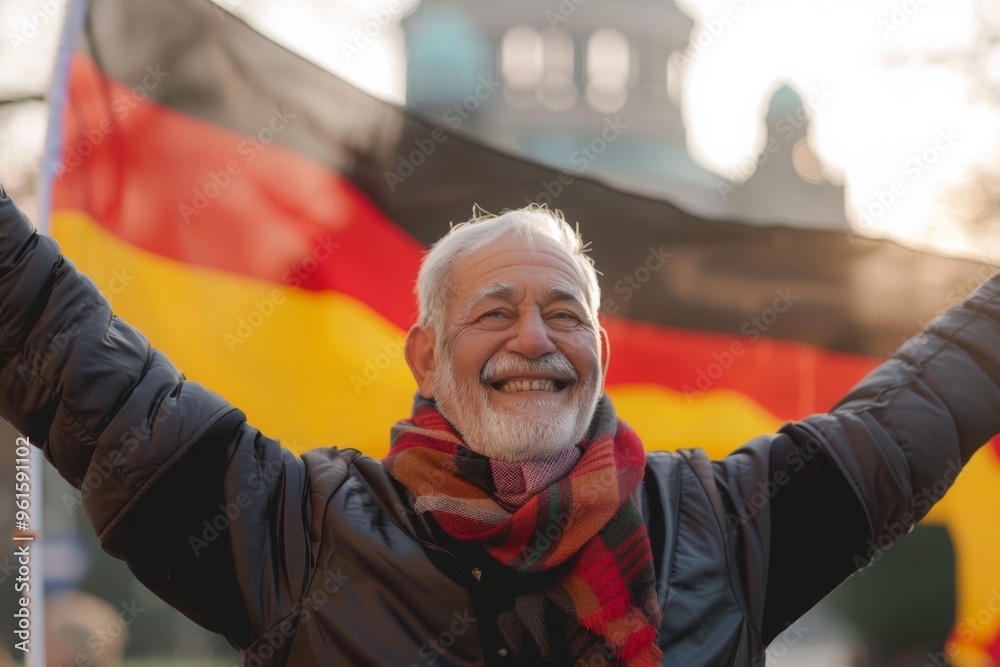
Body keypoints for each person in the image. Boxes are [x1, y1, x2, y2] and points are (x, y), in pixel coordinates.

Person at [1, 184, 998, 667]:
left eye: (564, 312)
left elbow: (923, 405)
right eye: (493, 312)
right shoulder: (296, 531)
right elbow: (77, 362)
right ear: (427, 358)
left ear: (597, 349)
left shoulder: (723, 523)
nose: (535, 338)